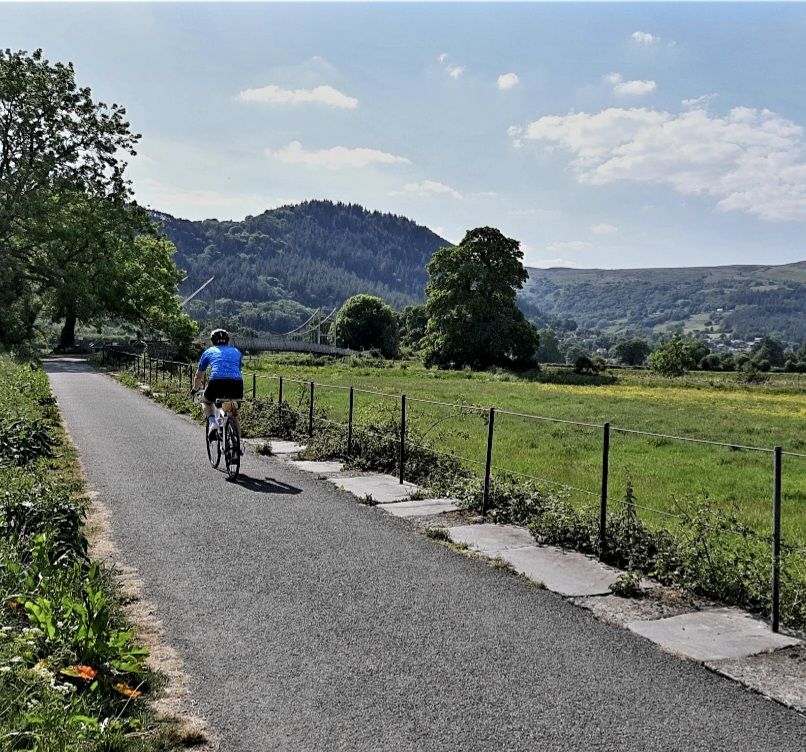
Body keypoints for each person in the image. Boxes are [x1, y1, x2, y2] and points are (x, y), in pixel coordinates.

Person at [192, 328, 243, 444]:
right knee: (233, 412)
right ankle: (237, 446)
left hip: (217, 382)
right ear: (228, 340)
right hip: (237, 383)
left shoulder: (209, 352)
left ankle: (213, 423)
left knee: (206, 401)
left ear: (212, 341)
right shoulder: (236, 351)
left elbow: (199, 375)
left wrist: (195, 389)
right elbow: (238, 370)